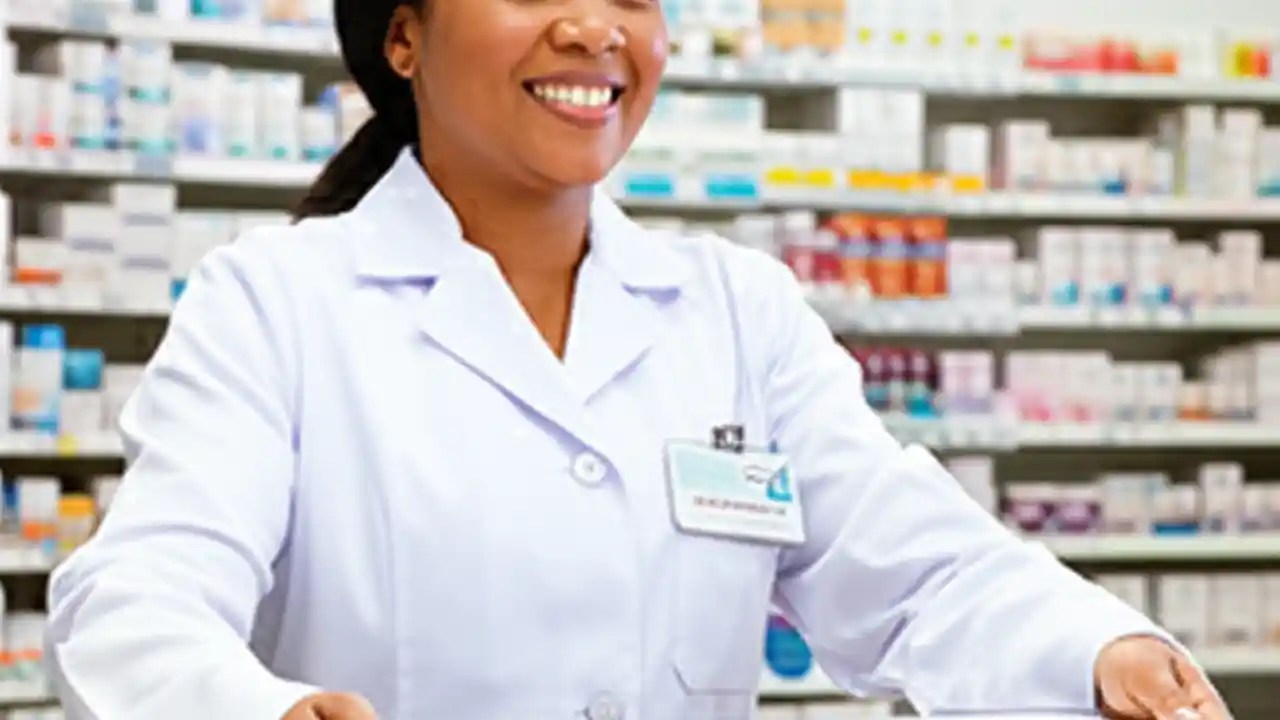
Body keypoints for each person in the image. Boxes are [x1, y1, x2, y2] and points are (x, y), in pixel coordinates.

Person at [45, 1, 1231, 719]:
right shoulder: (278, 304)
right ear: (401, 35)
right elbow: (135, 599)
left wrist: (1099, 650)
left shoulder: (734, 313)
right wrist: (260, 709)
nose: (593, 29)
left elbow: (916, 569)